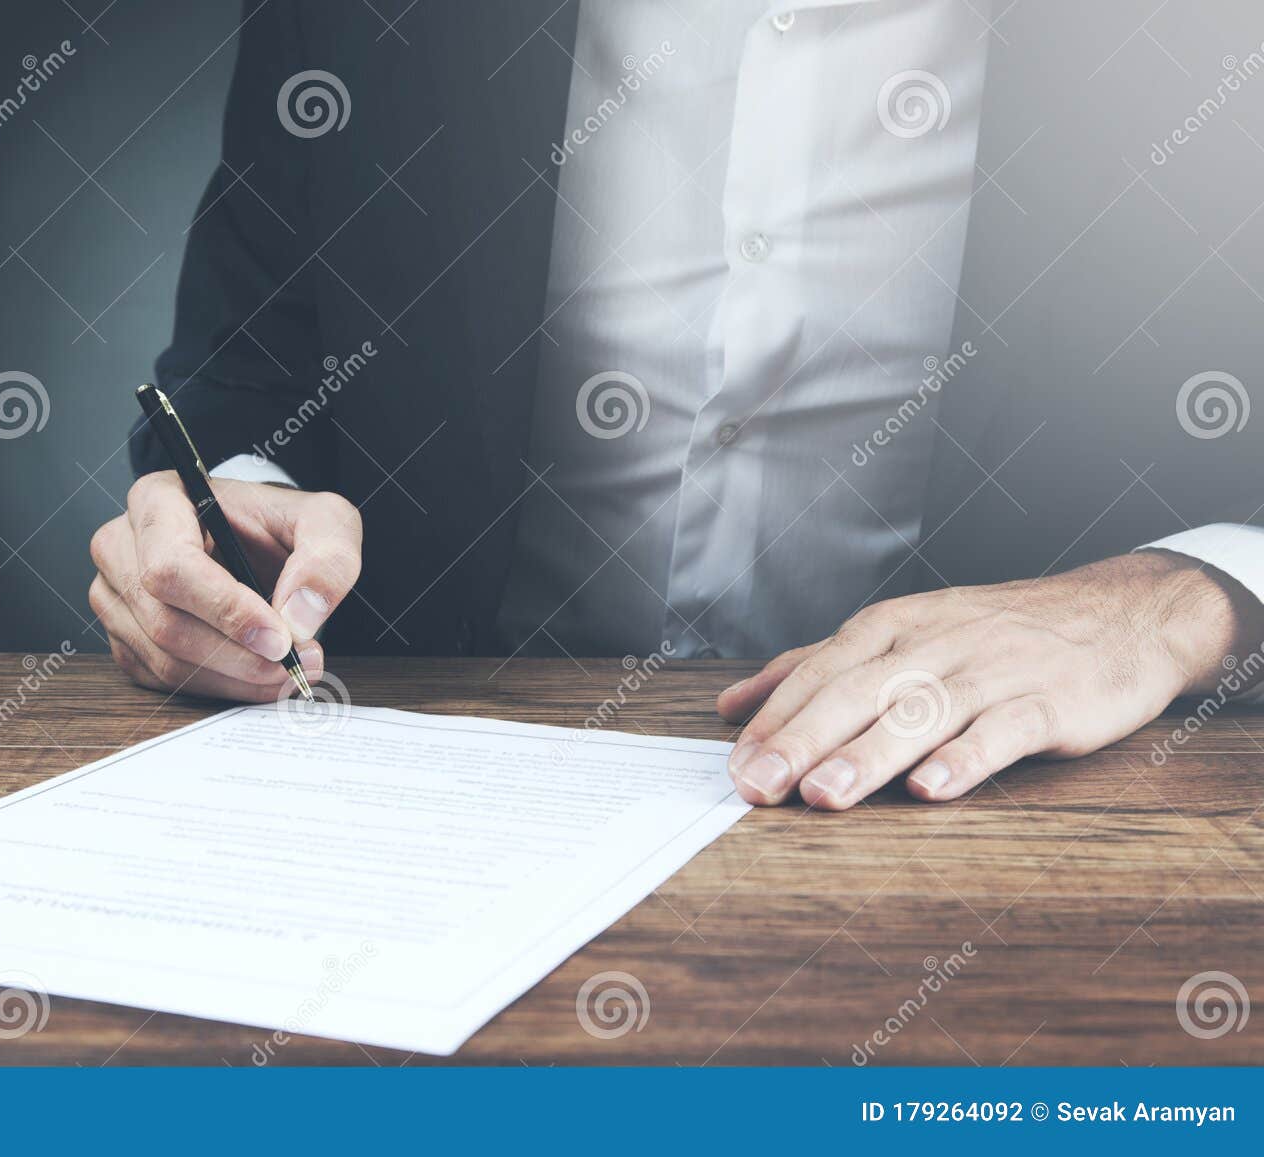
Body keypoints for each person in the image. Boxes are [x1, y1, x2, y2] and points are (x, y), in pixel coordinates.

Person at [89, 0, 1264, 810]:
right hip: (416, 776)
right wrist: (229, 532)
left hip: (1028, 810)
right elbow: (244, 367)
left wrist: (1174, 602)